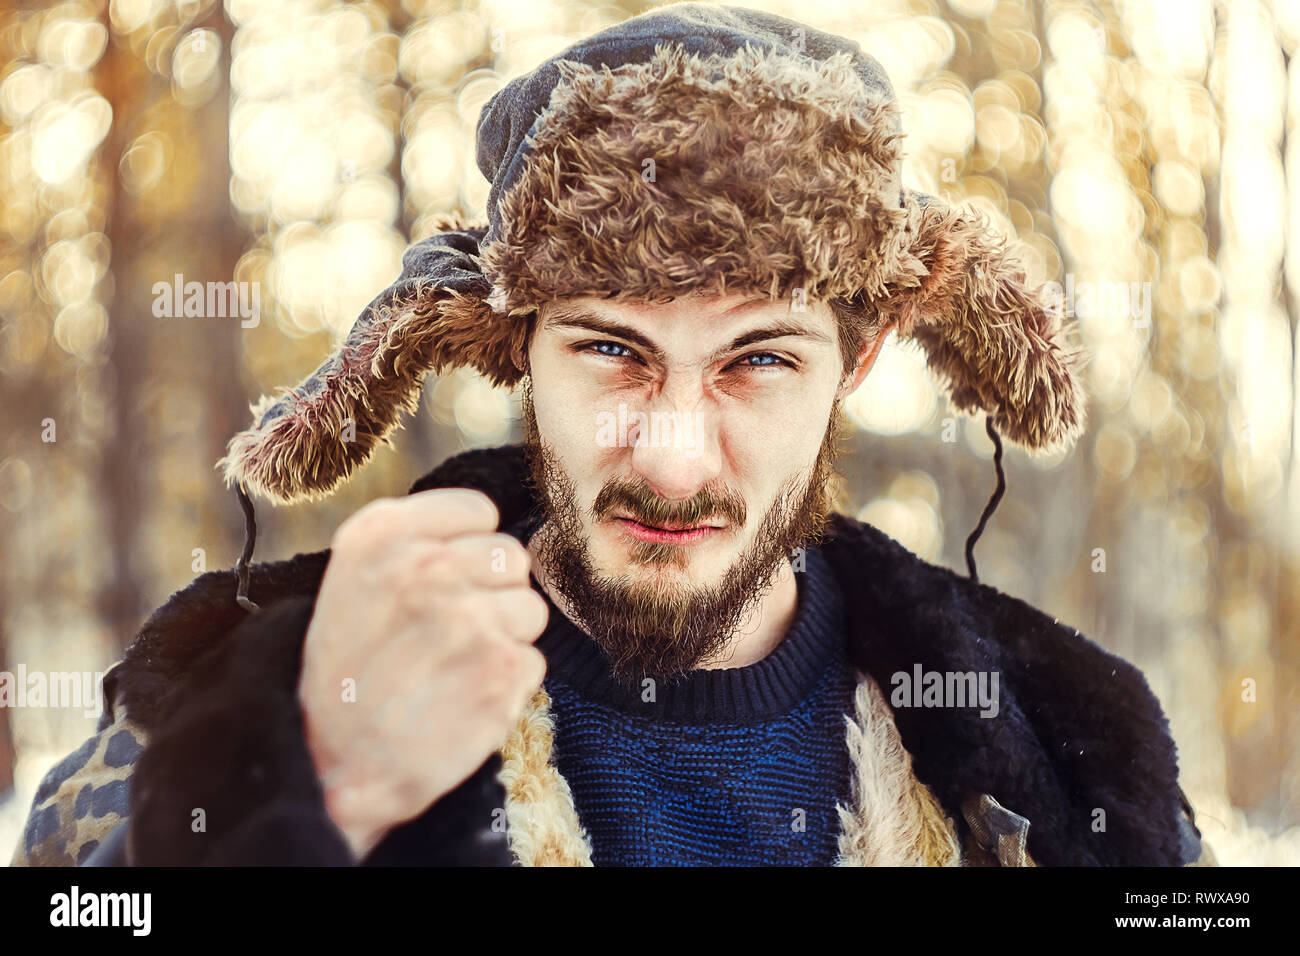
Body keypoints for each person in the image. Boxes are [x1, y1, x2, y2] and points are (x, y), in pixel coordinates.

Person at [13, 3, 1212, 867]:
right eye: (608, 347)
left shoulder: (1071, 751)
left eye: (757, 359)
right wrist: (315, 790)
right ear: (511, 345)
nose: (674, 456)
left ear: (858, 359)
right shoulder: (236, 698)